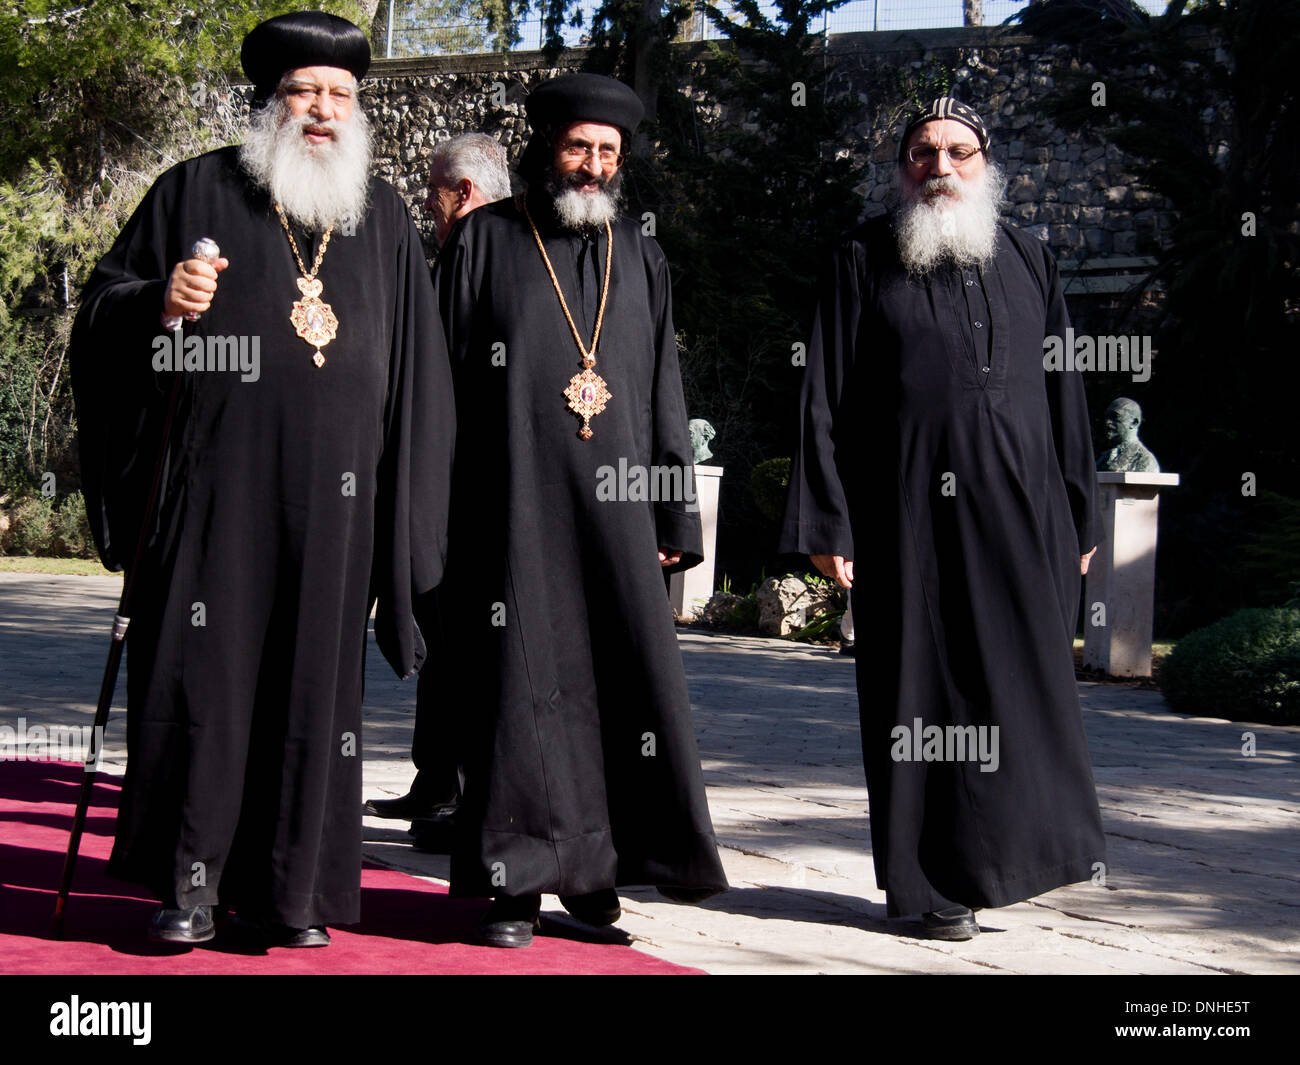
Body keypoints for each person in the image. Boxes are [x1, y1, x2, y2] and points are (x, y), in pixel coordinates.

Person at [68, 11, 455, 948]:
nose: (324, 110)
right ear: (270, 103)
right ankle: (189, 888)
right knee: (207, 681)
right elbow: (99, 309)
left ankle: (290, 892)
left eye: (341, 96)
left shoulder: (387, 218)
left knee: (312, 699)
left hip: (338, 510)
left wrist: (410, 524)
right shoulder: (192, 191)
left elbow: (420, 379)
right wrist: (158, 302)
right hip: (215, 499)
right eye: (305, 92)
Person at [780, 97, 1106, 941]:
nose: (940, 166)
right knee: (919, 694)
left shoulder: (1030, 256)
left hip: (1019, 512)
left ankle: (1007, 862)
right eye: (923, 153)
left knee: (1016, 689)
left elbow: (1067, 387)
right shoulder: (861, 258)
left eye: (957, 151)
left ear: (985, 161)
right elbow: (826, 394)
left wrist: (1080, 512)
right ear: (902, 167)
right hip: (906, 514)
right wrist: (827, 517)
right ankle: (930, 886)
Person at [431, 72, 728, 948]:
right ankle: (513, 885)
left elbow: (661, 390)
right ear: (545, 150)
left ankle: (596, 880)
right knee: (516, 695)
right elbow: (441, 384)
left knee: (615, 695)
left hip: (617, 518)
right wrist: (428, 510)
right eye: (578, 147)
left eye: (608, 152)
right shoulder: (485, 240)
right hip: (510, 511)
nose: (593, 165)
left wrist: (676, 515)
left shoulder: (641, 252)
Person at [365, 132, 512, 838]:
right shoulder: (465, 252)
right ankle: (436, 781)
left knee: (464, 645)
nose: (427, 204)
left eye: (433, 190)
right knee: (445, 638)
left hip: (471, 485)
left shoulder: (487, 251)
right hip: (450, 479)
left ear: (464, 192)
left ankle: (458, 792)